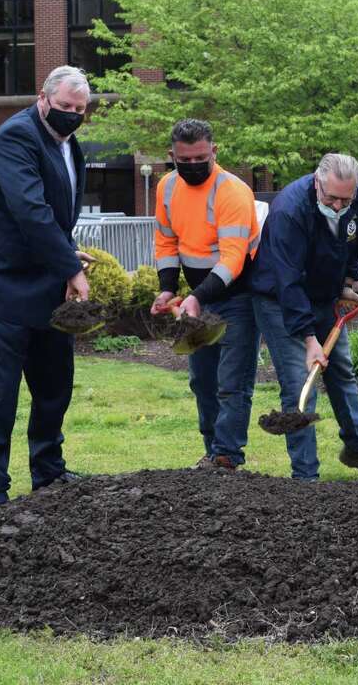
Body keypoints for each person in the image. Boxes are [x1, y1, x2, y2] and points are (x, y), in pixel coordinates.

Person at [0, 65, 95, 510]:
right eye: (64, 107)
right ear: (43, 99)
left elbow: (55, 216)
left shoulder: (71, 146)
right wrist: (72, 269)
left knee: (55, 387)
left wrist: (68, 252)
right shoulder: (17, 138)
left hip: (47, 287)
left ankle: (49, 474)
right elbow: (30, 211)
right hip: (4, 287)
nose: (72, 115)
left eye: (80, 109)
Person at [250, 154, 358, 482]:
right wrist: (309, 339)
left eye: (345, 199)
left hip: (323, 296)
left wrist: (346, 283)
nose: (337, 205)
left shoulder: (357, 198)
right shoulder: (289, 210)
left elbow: (357, 245)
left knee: (341, 372)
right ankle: (306, 478)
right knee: (301, 383)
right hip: (279, 299)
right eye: (330, 197)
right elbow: (288, 280)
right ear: (317, 182)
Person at [150, 119, 261, 470]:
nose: (194, 165)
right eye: (186, 161)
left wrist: (196, 297)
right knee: (203, 380)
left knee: (232, 381)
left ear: (215, 151)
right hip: (200, 294)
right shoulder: (167, 188)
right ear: (172, 156)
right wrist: (168, 288)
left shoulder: (232, 191)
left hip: (239, 297)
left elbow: (233, 259)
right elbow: (166, 242)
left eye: (202, 158)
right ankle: (212, 450)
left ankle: (227, 455)